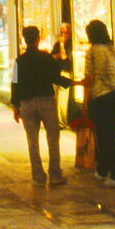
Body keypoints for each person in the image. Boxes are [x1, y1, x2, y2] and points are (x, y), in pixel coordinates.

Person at [11, 26, 73, 186]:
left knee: (32, 141)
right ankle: (55, 175)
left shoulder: (19, 61)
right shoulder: (46, 58)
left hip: (27, 104)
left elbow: (15, 83)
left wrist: (15, 106)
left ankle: (38, 177)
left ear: (24, 39)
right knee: (53, 138)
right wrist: (73, 82)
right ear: (38, 38)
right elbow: (55, 77)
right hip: (46, 101)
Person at [82, 19, 115, 188]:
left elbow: (89, 79)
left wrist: (85, 103)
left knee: (104, 137)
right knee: (110, 133)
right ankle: (102, 169)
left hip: (99, 97)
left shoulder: (92, 52)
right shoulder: (114, 50)